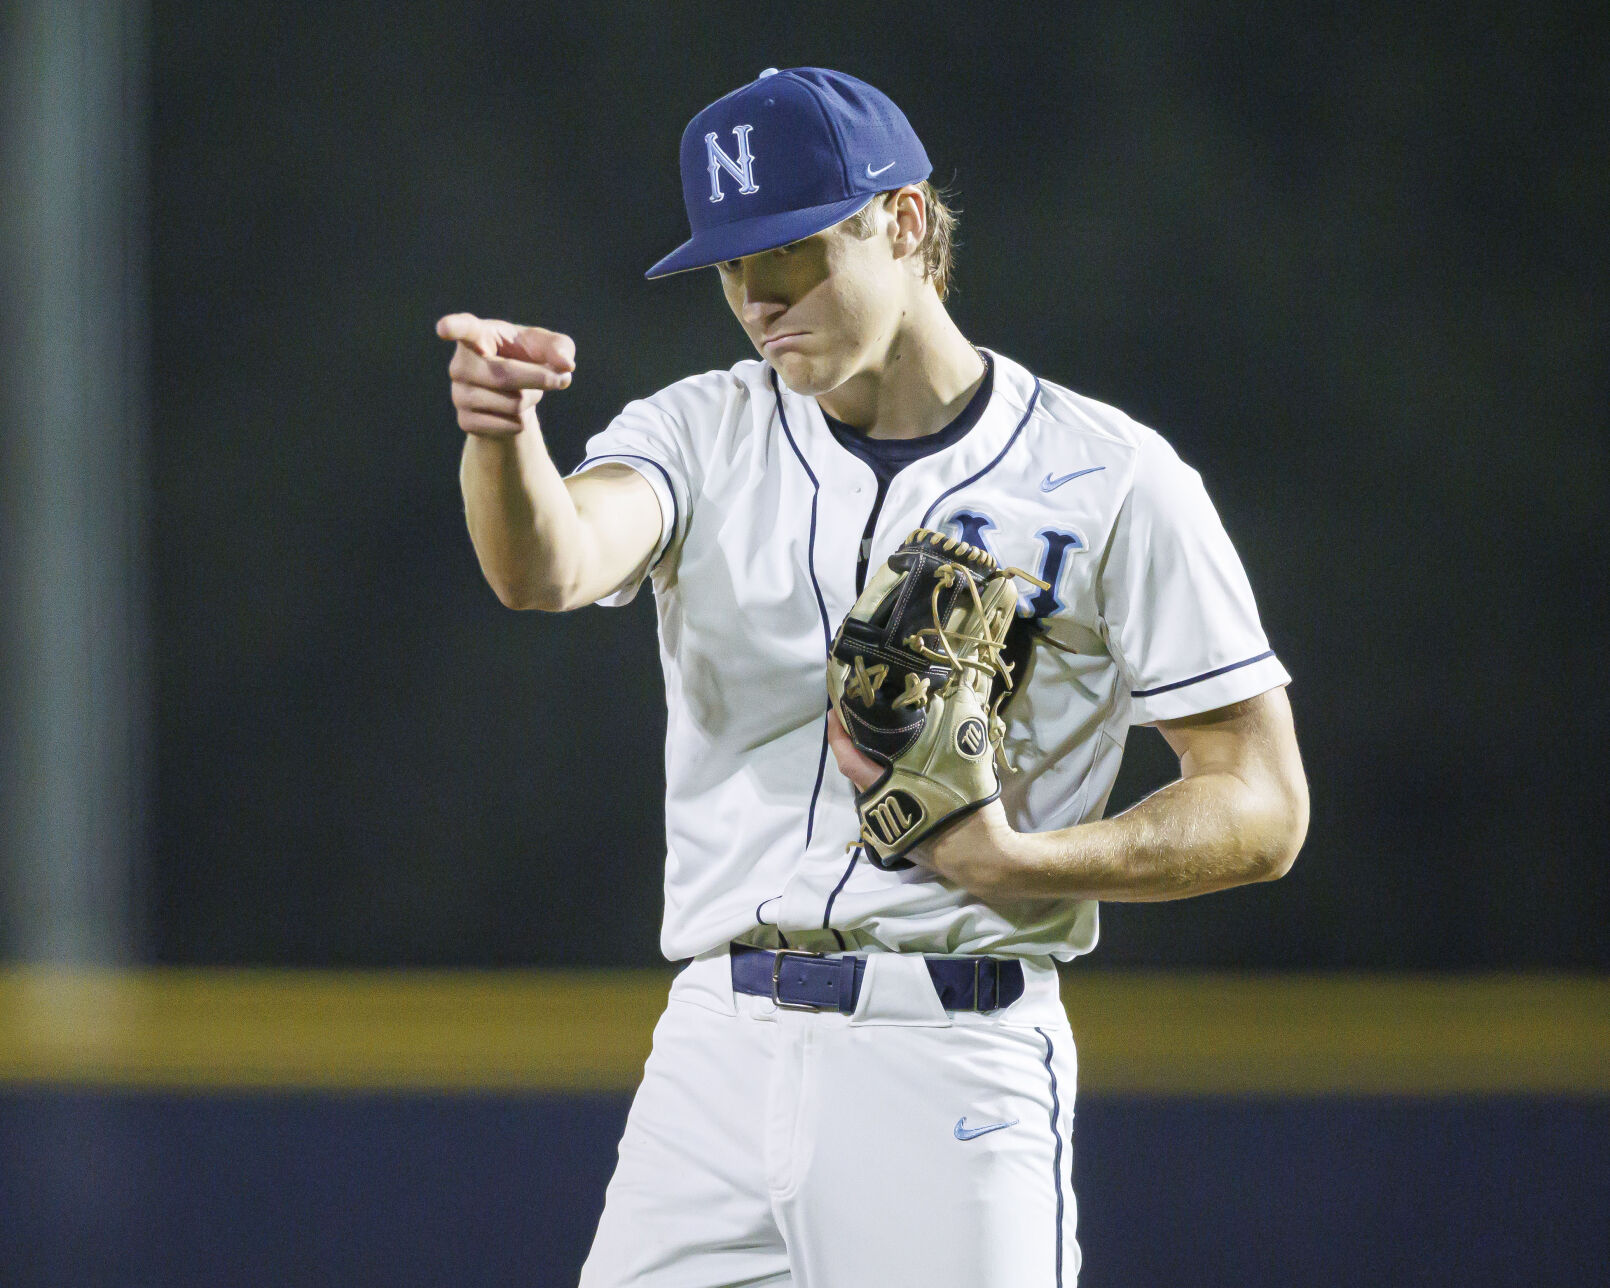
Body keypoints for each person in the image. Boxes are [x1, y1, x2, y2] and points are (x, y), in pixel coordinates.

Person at [437, 66, 1308, 1288]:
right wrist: (501, 436)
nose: (754, 295)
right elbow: (550, 565)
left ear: (900, 221)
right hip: (716, 1049)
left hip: (947, 1046)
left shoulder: (1110, 477)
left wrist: (1021, 863)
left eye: (788, 250)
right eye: (729, 263)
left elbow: (1260, 803)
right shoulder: (702, 429)